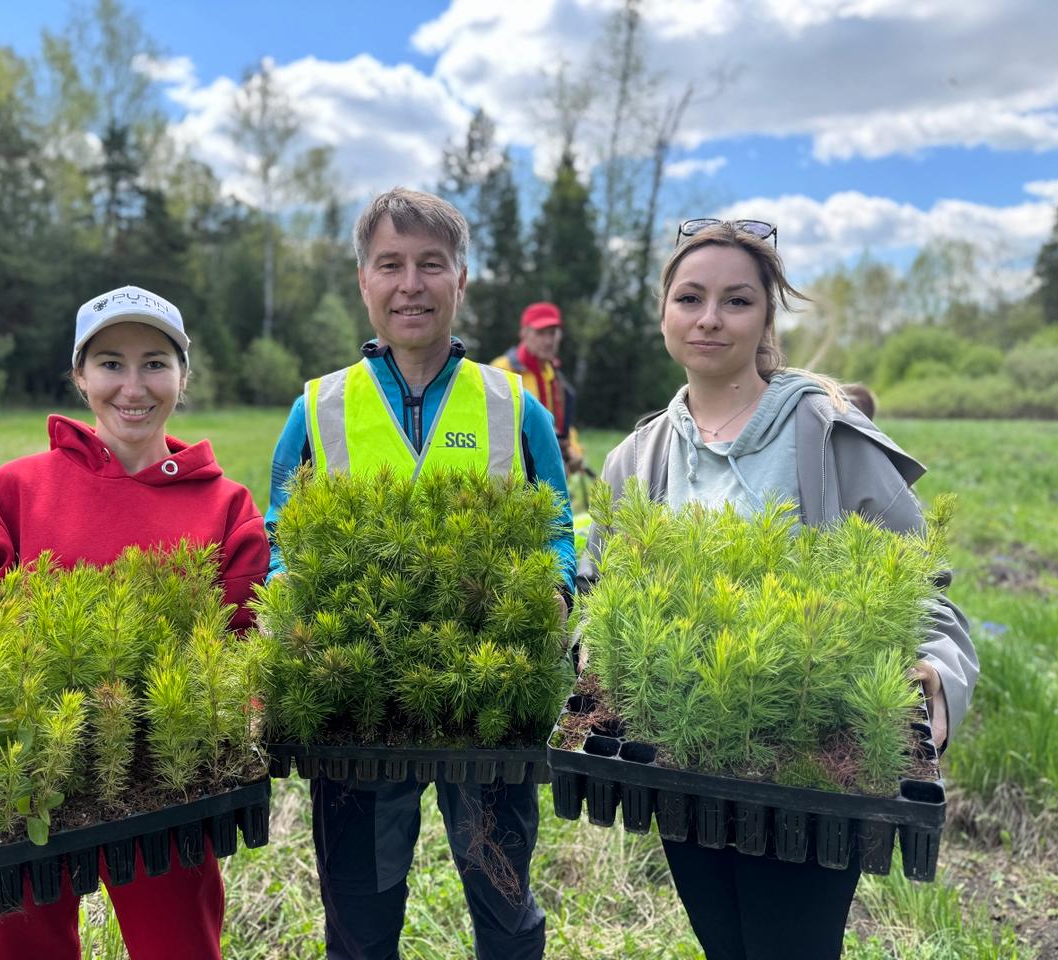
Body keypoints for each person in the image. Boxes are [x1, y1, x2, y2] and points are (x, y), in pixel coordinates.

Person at [578, 219, 979, 960]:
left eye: (736, 301)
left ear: (765, 318)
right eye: (690, 297)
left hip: (809, 757)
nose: (709, 318)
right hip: (682, 746)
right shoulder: (639, 457)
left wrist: (937, 681)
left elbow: (921, 590)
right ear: (664, 311)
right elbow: (598, 590)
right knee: (725, 943)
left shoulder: (829, 435)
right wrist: (591, 652)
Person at [0, 285, 270, 960]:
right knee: (14, 937)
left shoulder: (225, 506)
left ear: (182, 376)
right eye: (111, 362)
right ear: (80, 376)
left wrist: (248, 710)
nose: (133, 386)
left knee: (177, 941)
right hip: (19, 767)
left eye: (155, 363)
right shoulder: (19, 490)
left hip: (162, 777)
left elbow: (237, 649)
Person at [265, 187, 575, 960]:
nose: (411, 284)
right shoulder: (317, 409)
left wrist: (555, 588)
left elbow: (559, 531)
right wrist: (287, 604)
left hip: (488, 700)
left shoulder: (514, 406)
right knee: (361, 923)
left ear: (461, 281)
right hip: (356, 705)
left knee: (505, 907)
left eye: (431, 265)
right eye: (391, 265)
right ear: (364, 282)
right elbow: (282, 542)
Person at [491, 302, 586, 474]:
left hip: (546, 471)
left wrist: (573, 450)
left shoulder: (554, 376)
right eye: (540, 333)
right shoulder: (502, 370)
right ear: (523, 333)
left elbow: (559, 425)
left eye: (553, 333)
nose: (549, 341)